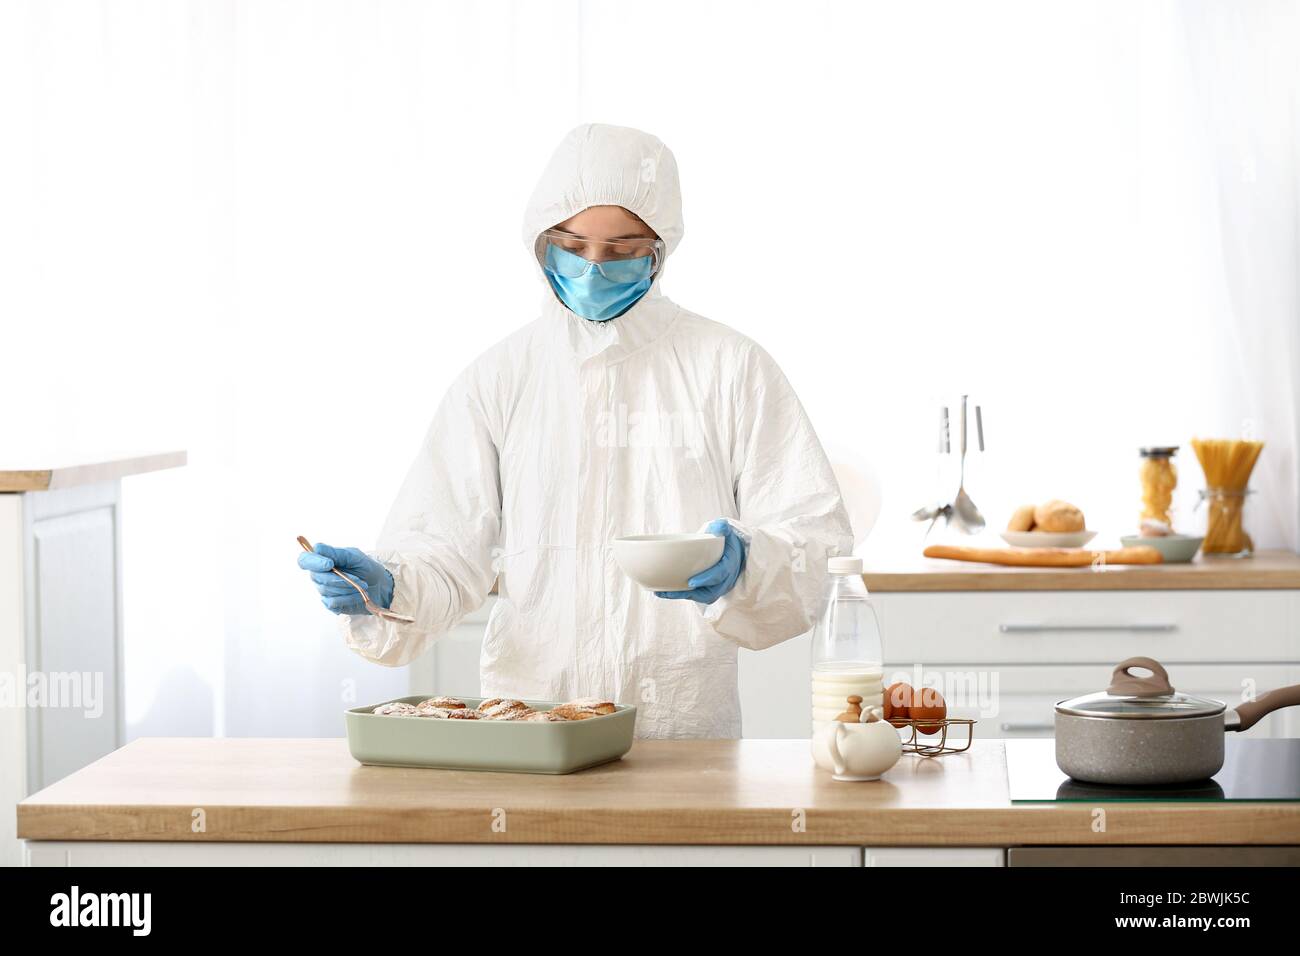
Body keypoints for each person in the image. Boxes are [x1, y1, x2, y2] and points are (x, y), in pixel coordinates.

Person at [299, 124, 853, 738]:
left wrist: (748, 561)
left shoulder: (730, 368)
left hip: (681, 732)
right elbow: (446, 554)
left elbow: (819, 540)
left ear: (661, 249)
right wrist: (387, 586)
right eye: (573, 244)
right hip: (530, 728)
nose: (593, 268)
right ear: (541, 243)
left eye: (621, 251)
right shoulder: (499, 379)